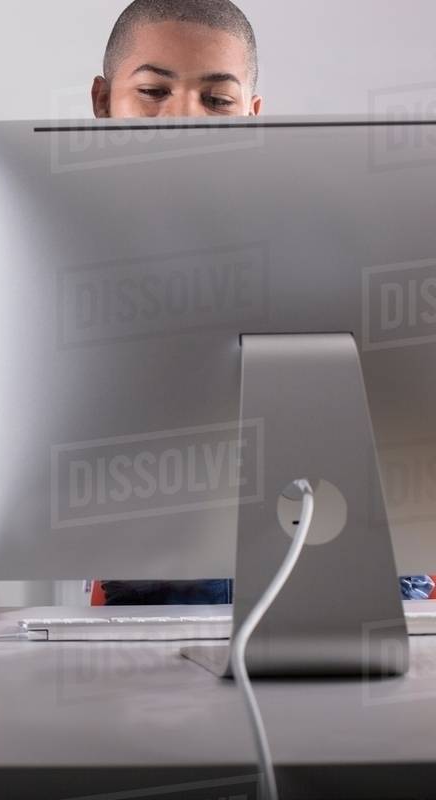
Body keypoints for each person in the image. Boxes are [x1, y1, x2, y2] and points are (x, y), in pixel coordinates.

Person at [94, 0, 433, 605]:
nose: (184, 119)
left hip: (350, 532)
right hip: (163, 561)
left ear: (252, 113)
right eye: (153, 91)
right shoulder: (66, 247)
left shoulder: (334, 227)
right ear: (102, 101)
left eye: (217, 100)